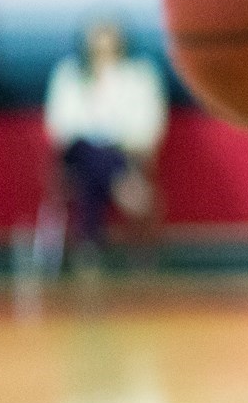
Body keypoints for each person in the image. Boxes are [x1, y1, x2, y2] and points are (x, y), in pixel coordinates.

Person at [42, 17, 168, 266]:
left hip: (124, 152)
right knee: (91, 152)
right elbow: (59, 125)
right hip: (78, 153)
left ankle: (89, 239)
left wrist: (115, 134)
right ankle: (122, 186)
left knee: (99, 160)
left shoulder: (139, 76)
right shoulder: (69, 75)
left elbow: (148, 123)